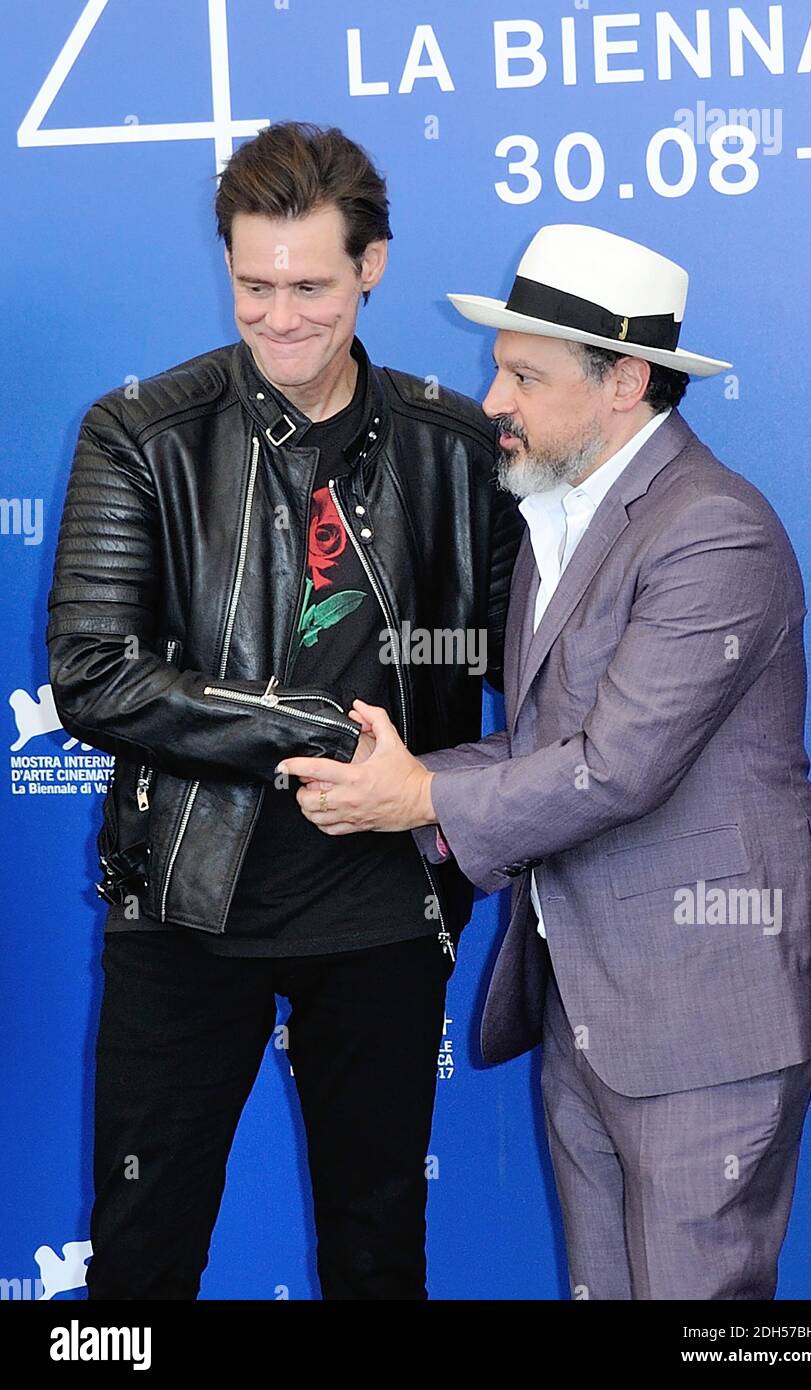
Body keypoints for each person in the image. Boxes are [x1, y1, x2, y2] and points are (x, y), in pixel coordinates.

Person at [282, 223, 811, 1300]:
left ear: (623, 382)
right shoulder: (561, 518)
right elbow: (548, 745)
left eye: (521, 375)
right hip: (590, 1009)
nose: (492, 399)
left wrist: (420, 794)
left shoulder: (711, 530)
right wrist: (404, 777)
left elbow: (615, 767)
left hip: (704, 1018)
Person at [46, 121, 521, 1300]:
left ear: (373, 265)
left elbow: (534, 662)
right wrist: (314, 732)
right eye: (252, 285)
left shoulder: (454, 445)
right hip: (183, 913)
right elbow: (94, 670)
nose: (279, 316)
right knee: (139, 1264)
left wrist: (434, 799)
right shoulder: (143, 432)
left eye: (310, 284)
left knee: (378, 1253)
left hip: (383, 917)